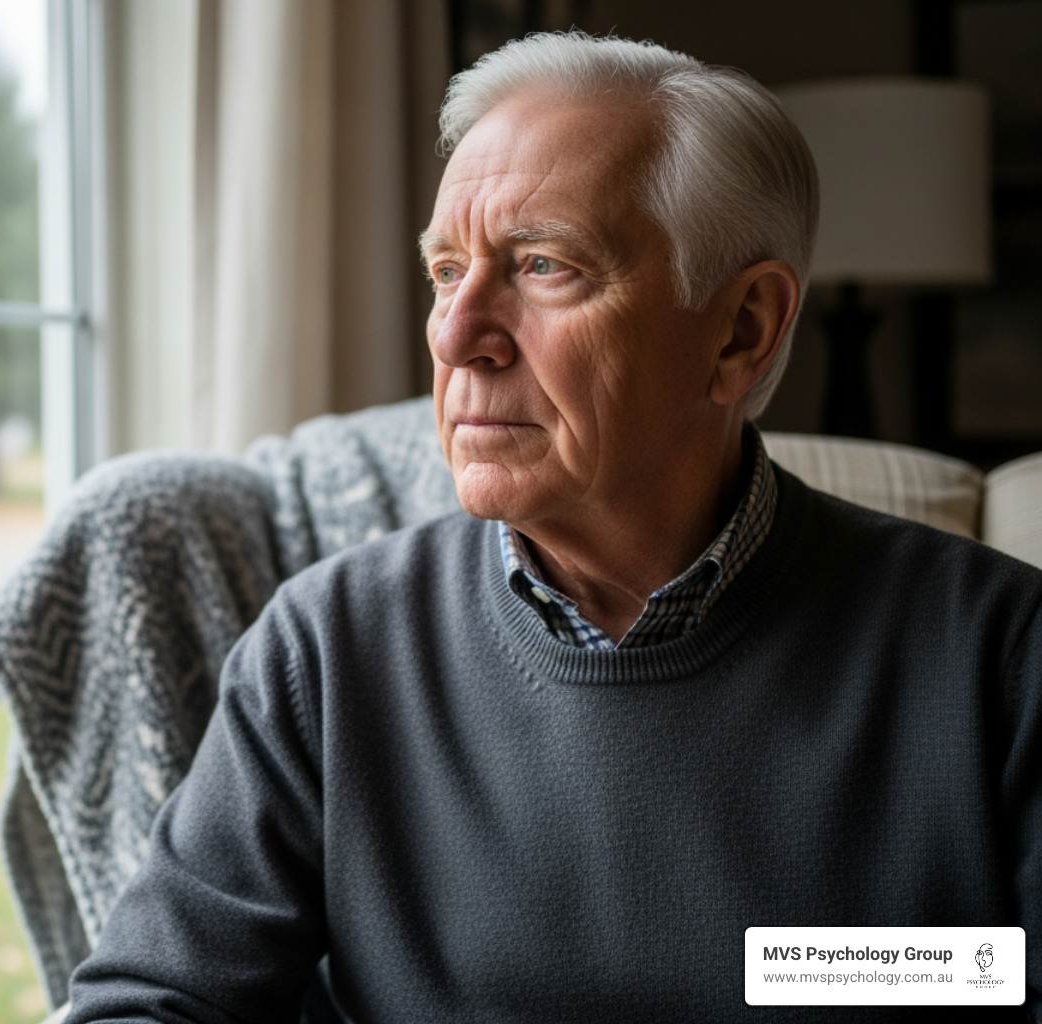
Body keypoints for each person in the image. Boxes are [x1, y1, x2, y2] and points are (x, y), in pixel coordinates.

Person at [65, 32, 1042, 1022]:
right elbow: (150, 1002)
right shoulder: (325, 650)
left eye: (543, 265)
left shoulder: (1002, 655)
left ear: (742, 330)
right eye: (447, 272)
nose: (456, 335)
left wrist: (830, 970)